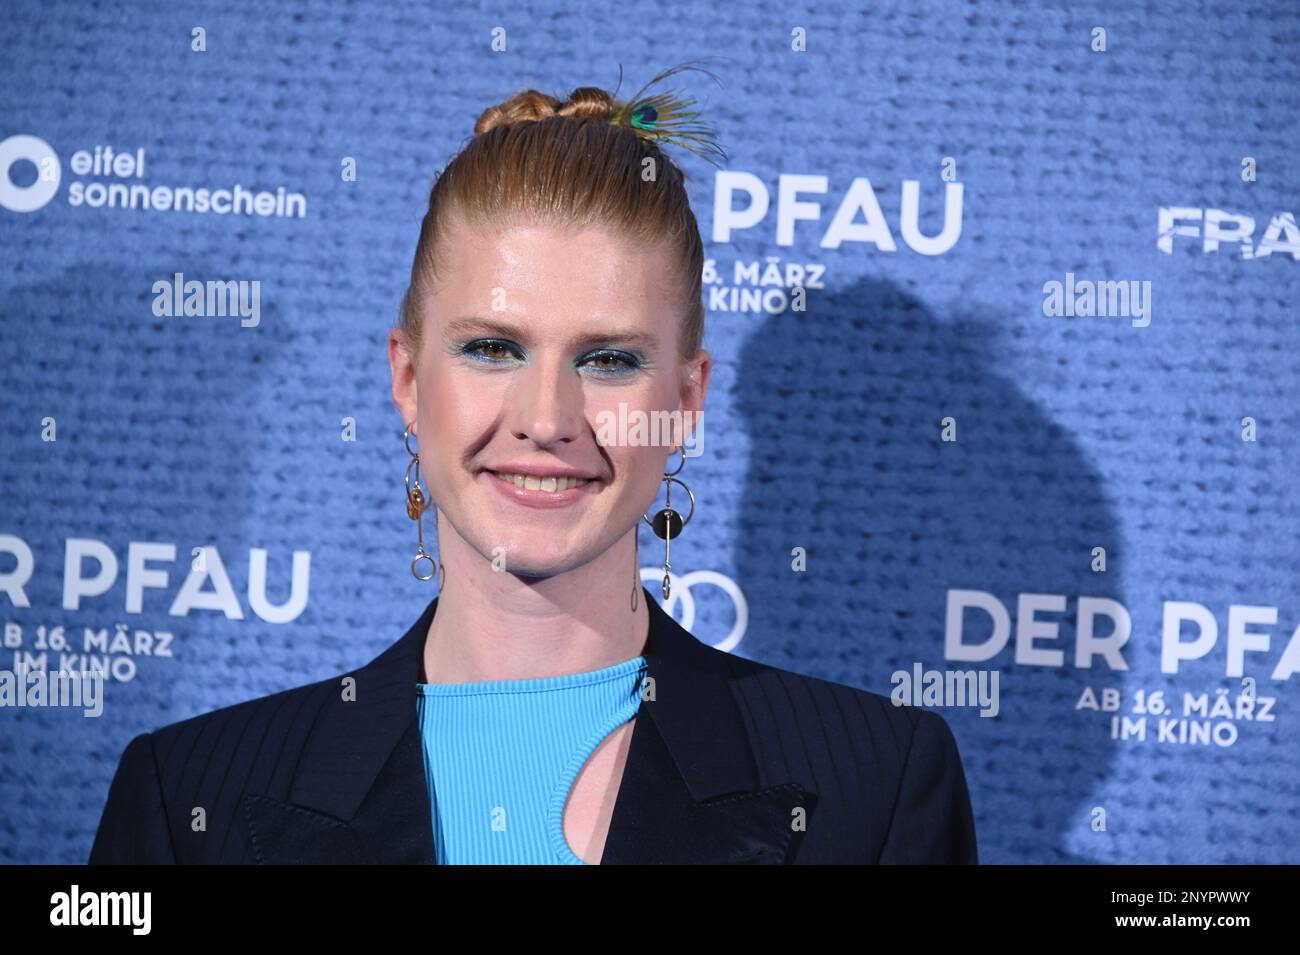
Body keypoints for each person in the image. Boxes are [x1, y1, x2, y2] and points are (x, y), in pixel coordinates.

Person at [89, 63, 978, 865]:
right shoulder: (189, 796)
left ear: (688, 400)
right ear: (406, 376)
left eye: (610, 359)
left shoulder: (874, 792)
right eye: (491, 347)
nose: (548, 418)